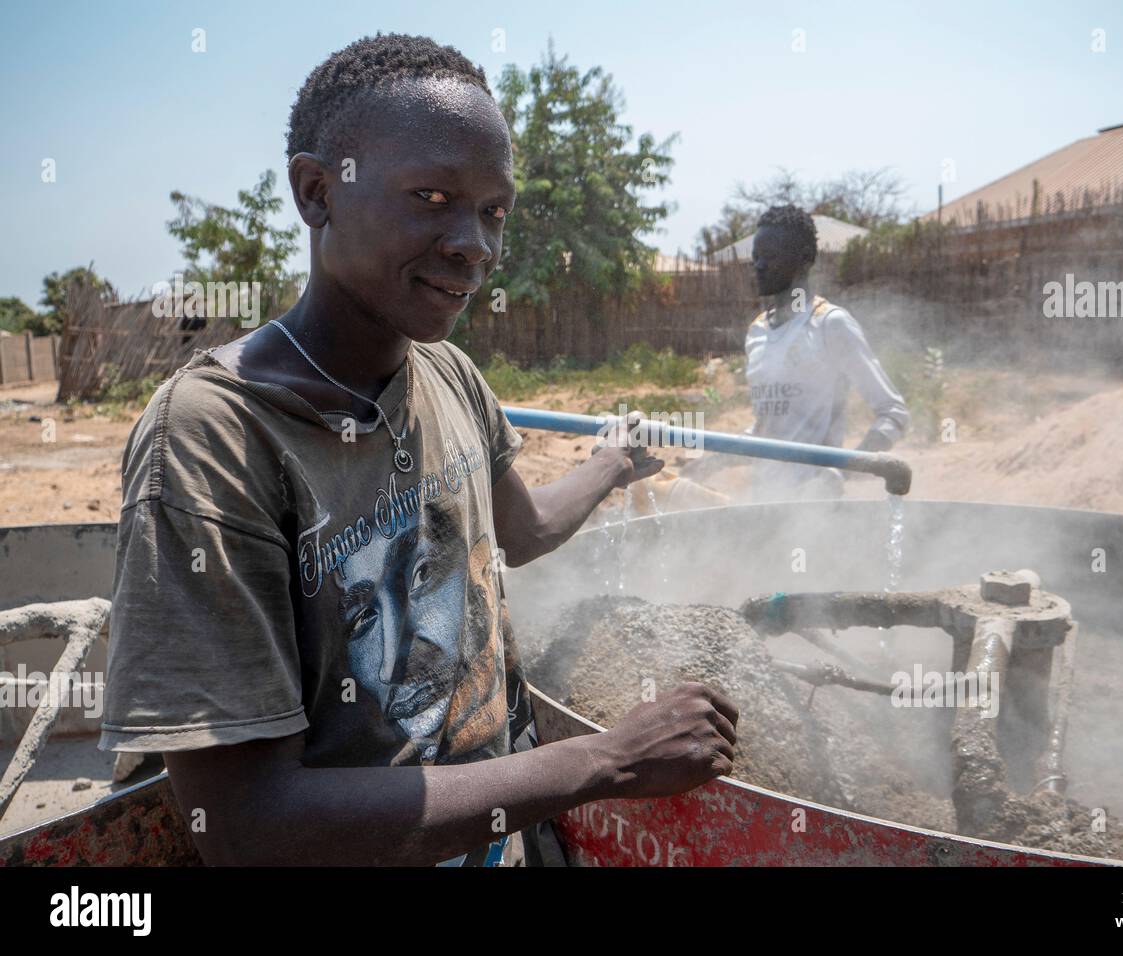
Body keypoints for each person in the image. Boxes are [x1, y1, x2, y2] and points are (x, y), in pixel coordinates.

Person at [98, 33, 738, 867]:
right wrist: (603, 761)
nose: (476, 242)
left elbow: (522, 530)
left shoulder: (447, 373)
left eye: (494, 210)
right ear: (318, 192)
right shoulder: (215, 437)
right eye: (433, 196)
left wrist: (611, 464)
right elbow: (248, 825)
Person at [744, 205, 909, 500]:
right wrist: (712, 459)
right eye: (756, 256)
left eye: (770, 257)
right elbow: (764, 425)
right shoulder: (757, 332)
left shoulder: (829, 325)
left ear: (806, 258)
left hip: (816, 508)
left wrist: (843, 471)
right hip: (763, 500)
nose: (759, 266)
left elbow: (893, 413)